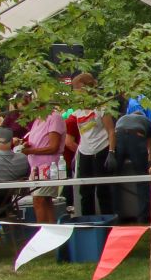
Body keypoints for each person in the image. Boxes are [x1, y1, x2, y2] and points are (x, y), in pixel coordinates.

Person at [67, 71, 115, 218]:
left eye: (77, 88)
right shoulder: (78, 109)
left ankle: (107, 221)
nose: (75, 92)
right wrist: (77, 153)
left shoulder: (102, 106)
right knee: (85, 191)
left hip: (101, 149)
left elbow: (111, 131)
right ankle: (87, 221)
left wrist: (111, 152)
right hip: (85, 151)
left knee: (103, 190)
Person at [21, 95, 67, 225]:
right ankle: (51, 229)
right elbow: (39, 142)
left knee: (39, 200)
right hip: (35, 167)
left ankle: (42, 231)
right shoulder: (37, 120)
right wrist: (27, 146)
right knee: (45, 200)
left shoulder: (54, 117)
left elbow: (53, 146)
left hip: (48, 166)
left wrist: (30, 151)